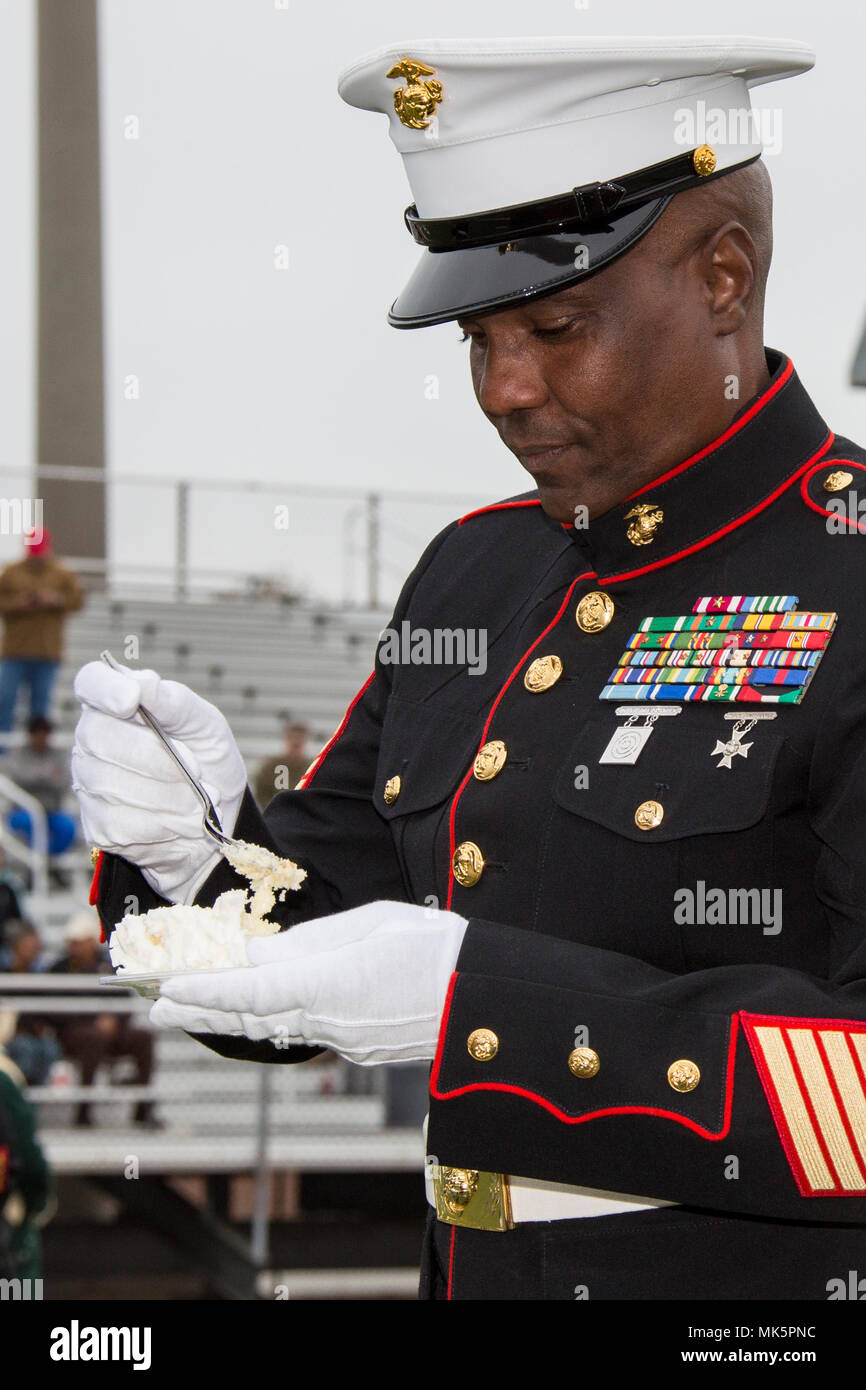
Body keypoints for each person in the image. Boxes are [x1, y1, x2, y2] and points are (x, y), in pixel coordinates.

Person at [70, 36, 866, 1300]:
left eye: (554, 324)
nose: (504, 388)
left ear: (723, 277)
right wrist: (188, 870)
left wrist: (477, 1002)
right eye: (474, 340)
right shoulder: (474, 576)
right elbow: (311, 956)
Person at [52, 911, 158, 1129]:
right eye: (73, 942)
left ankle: (143, 1109)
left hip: (111, 1031)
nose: (75, 947)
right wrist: (93, 1021)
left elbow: (124, 1000)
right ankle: (83, 1111)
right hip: (74, 1034)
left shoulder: (109, 965)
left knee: (143, 1038)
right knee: (93, 1038)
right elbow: (53, 1009)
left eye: (80, 942)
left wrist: (113, 1020)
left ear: (91, 941)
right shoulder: (59, 968)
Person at [0, 529, 84, 734]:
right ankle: (2, 752)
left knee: (40, 707)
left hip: (47, 651)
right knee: (5, 699)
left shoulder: (62, 574)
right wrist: (17, 603)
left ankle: (36, 756)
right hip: (15, 651)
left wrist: (54, 599)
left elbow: (77, 601)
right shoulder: (10, 573)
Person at [0, 1012, 53, 1282]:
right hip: (7, 1217)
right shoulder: (4, 1079)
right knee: (18, 1285)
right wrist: (36, 1201)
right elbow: (25, 1153)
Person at [4, 716, 77, 856]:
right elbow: (18, 777)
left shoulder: (57, 755)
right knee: (29, 824)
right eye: (38, 733)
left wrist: (34, 776)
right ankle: (37, 862)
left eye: (45, 734)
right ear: (30, 735)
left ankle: (47, 860)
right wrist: (46, 774)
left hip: (51, 811)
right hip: (23, 811)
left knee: (67, 827)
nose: (42, 738)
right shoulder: (19, 754)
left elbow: (63, 782)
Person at [0, 921, 59, 1087]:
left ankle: (33, 1100)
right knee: (25, 1049)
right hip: (8, 1035)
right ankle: (19, 1099)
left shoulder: (39, 978)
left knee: (49, 1048)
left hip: (33, 1034)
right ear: (16, 946)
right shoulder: (4, 977)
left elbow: (45, 1013)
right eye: (28, 944)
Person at [253, 721, 312, 809]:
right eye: (293, 740)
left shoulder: (312, 769)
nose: (295, 746)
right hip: (275, 816)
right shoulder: (270, 767)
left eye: (299, 743)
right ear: (286, 740)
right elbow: (261, 793)